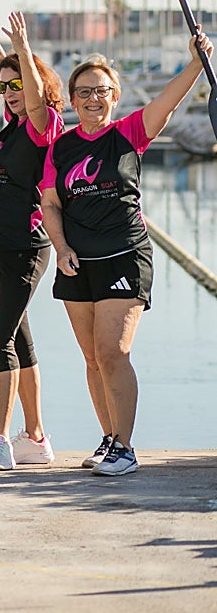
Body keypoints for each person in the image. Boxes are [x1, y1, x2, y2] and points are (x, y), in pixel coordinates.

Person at [40, 32, 210, 477]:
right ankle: (109, 438)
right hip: (77, 261)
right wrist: (60, 249)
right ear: (73, 100)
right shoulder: (61, 146)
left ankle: (126, 447)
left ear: (114, 96)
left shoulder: (129, 133)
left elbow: (166, 104)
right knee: (92, 359)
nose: (94, 98)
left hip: (124, 255)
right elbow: (51, 203)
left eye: (102, 91)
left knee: (113, 351)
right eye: (85, 92)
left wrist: (194, 63)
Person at [0, 7, 64, 471]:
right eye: (1, 87)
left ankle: (0, 439)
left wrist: (24, 49)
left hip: (27, 247)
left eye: (17, 86)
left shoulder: (42, 123)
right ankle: (37, 438)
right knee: (20, 339)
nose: (9, 93)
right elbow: (0, 70)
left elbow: (30, 95)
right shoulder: (10, 128)